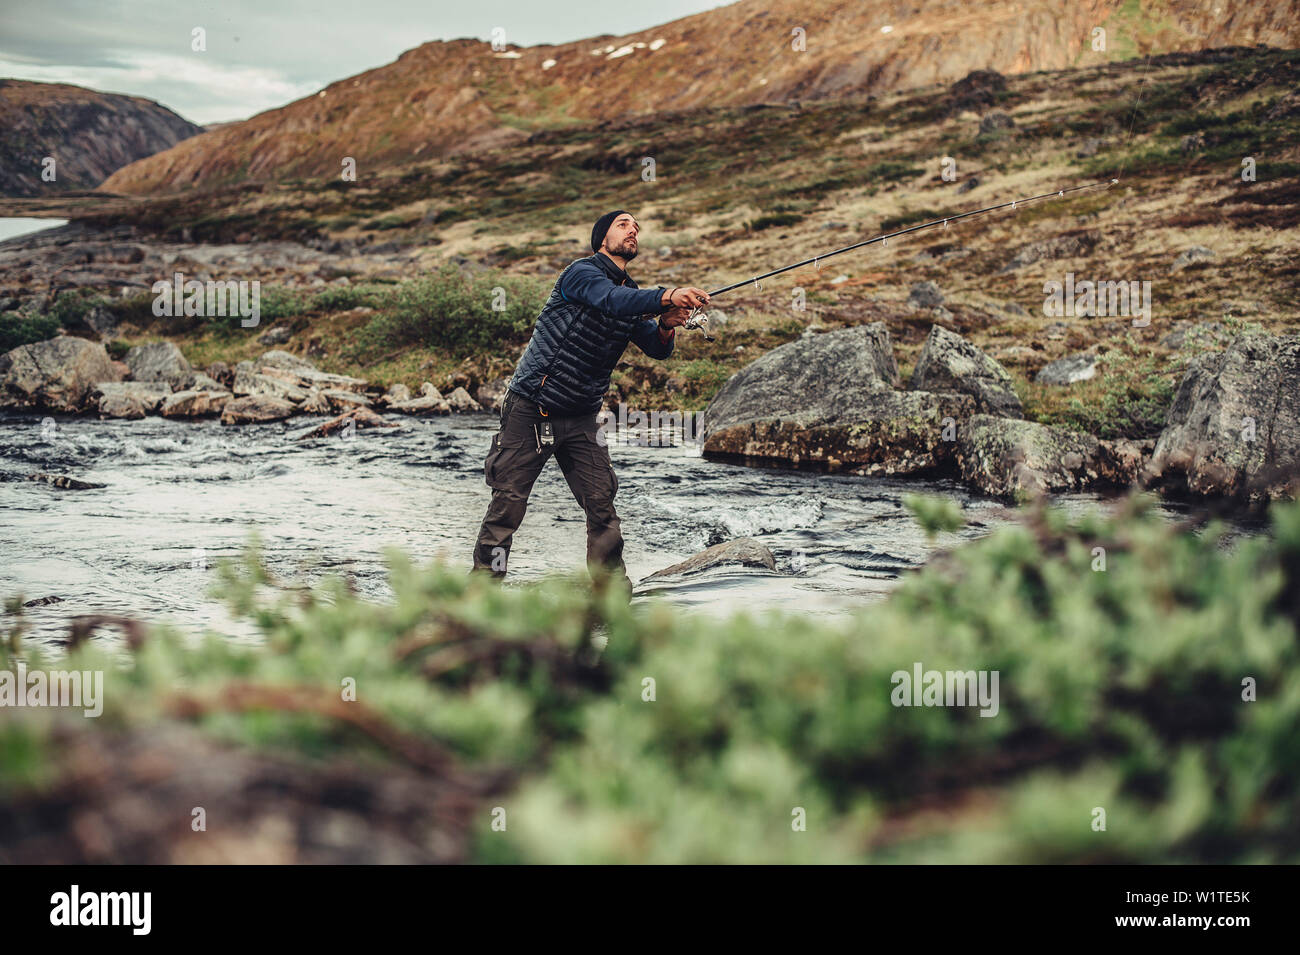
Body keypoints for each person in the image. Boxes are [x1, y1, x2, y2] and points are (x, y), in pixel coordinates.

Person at [471, 209, 711, 598]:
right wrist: (666, 295)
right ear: (602, 237)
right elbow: (609, 299)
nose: (633, 230)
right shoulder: (580, 274)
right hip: (533, 407)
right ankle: (480, 597)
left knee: (602, 507)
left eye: (637, 227)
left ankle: (612, 597)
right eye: (623, 224)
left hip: (583, 417)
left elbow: (655, 347)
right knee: (508, 508)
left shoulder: (630, 293)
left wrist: (666, 323)